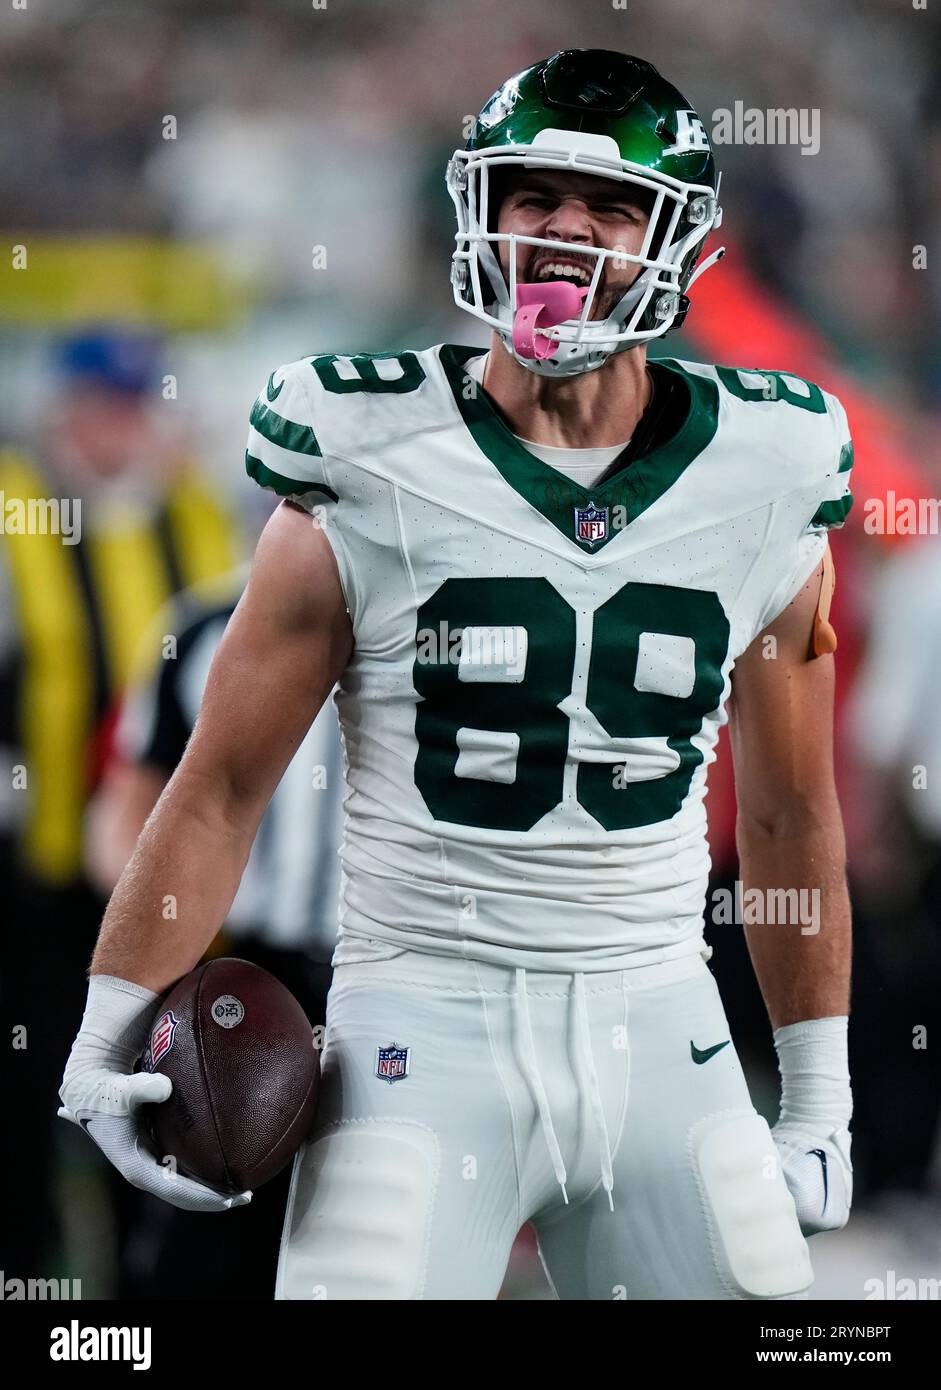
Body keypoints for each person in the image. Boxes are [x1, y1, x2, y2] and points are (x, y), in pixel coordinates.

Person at [60, 50, 855, 1300]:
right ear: (479, 213)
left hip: (662, 1028)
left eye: (608, 206)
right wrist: (107, 1019)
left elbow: (790, 814)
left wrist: (817, 1091)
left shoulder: (767, 468)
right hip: (412, 1034)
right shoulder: (362, 450)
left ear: (677, 241)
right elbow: (217, 788)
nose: (563, 232)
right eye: (533, 196)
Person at [0, 325, 240, 1277]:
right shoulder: (17, 506)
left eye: (137, 409)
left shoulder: (192, 509)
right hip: (43, 864)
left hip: (171, 864)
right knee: (31, 1078)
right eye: (104, 409)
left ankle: (148, 1273)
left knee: (162, 1085)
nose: (121, 430)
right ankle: (32, 1261)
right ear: (66, 411)